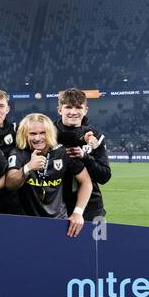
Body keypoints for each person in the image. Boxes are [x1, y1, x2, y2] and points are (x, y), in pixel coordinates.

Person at [4, 113, 92, 237]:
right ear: (24, 134)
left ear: (50, 133)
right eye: (32, 134)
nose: (38, 138)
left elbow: (86, 182)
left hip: (59, 223)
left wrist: (78, 212)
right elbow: (10, 184)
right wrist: (28, 167)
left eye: (42, 133)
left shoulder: (63, 152)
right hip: (26, 223)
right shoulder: (19, 153)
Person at [56, 88, 110, 222]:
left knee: (97, 243)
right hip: (55, 207)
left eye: (78, 107)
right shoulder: (48, 133)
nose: (73, 112)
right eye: (68, 107)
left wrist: (86, 157)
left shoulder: (95, 135)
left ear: (85, 110)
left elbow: (104, 176)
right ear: (60, 110)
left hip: (91, 208)